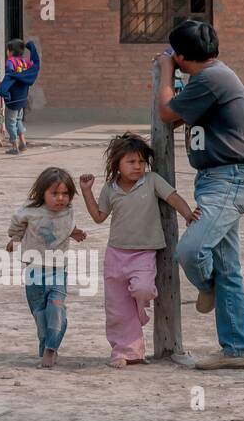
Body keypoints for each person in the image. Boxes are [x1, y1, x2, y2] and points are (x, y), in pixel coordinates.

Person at [155, 20, 244, 371]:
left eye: (175, 55)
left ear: (182, 56)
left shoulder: (211, 79)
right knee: (229, 268)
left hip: (228, 179)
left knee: (191, 250)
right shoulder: (206, 80)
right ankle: (236, 351)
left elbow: (167, 113)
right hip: (216, 180)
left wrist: (166, 72)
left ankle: (209, 285)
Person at [79, 133, 198, 368]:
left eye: (141, 162)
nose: (137, 166)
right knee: (117, 308)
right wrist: (86, 191)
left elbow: (173, 198)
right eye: (131, 162)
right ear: (117, 165)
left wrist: (188, 214)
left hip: (144, 253)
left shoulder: (152, 180)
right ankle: (124, 352)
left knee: (142, 289)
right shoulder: (110, 189)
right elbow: (98, 217)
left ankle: (140, 311)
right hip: (115, 254)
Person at [7, 167, 87, 368]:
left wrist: (74, 232)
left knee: (56, 307)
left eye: (65, 194)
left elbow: (64, 228)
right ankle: (45, 345)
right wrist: (14, 239)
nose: (60, 198)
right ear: (42, 193)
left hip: (58, 269)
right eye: (55, 193)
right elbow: (17, 224)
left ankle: (52, 347)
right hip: (34, 269)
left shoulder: (68, 212)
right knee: (39, 312)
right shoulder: (31, 211)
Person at [0, 39, 41, 154]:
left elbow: (10, 77)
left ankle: (14, 146)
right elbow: (35, 64)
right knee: (18, 120)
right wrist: (31, 48)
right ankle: (23, 142)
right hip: (23, 97)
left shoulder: (10, 62)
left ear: (10, 51)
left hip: (13, 99)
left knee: (10, 122)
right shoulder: (26, 62)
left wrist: (4, 92)